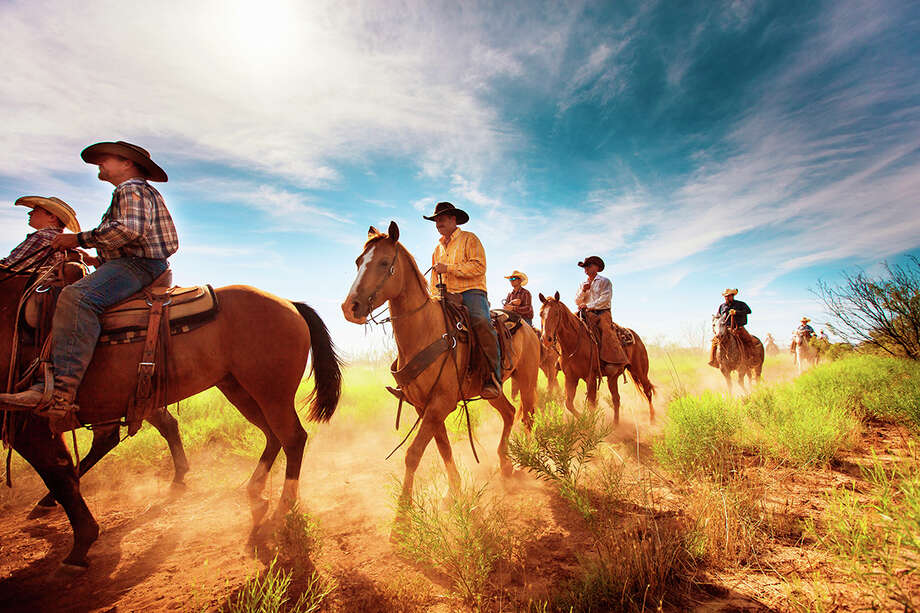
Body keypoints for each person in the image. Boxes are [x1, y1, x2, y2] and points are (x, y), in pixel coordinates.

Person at [0, 141, 178, 433]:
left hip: (140, 265)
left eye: (105, 159)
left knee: (76, 297)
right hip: (136, 263)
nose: (100, 165)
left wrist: (78, 239)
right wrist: (96, 259)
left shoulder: (130, 189)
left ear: (126, 164)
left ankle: (60, 391)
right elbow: (130, 238)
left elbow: (129, 230)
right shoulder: (132, 191)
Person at [425, 201, 501, 399]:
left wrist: (449, 268)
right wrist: (433, 296)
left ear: (453, 219)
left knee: (482, 322)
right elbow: (434, 279)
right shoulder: (437, 249)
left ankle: (492, 378)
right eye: (436, 220)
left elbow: (479, 267)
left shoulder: (470, 239)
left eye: (442, 218)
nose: (438, 222)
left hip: (471, 292)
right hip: (445, 296)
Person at [1, 196, 83, 276]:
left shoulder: (43, 236)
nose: (30, 213)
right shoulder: (59, 240)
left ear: (52, 217)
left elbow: (12, 267)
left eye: (35, 210)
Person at [573, 255, 627, 374]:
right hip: (586, 313)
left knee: (606, 329)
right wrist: (583, 291)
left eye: (589, 266)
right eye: (585, 267)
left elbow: (605, 299)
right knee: (570, 324)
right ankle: (566, 359)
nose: (586, 269)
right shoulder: (583, 284)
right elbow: (577, 301)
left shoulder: (605, 281)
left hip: (602, 312)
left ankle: (613, 360)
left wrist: (588, 305)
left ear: (596, 268)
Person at [708, 288, 756, 368]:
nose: (727, 298)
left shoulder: (740, 304)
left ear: (732, 296)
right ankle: (713, 360)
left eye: (729, 296)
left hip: (739, 328)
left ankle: (752, 359)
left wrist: (736, 312)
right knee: (715, 341)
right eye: (725, 296)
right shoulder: (722, 306)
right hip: (725, 329)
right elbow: (718, 316)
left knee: (749, 340)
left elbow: (748, 311)